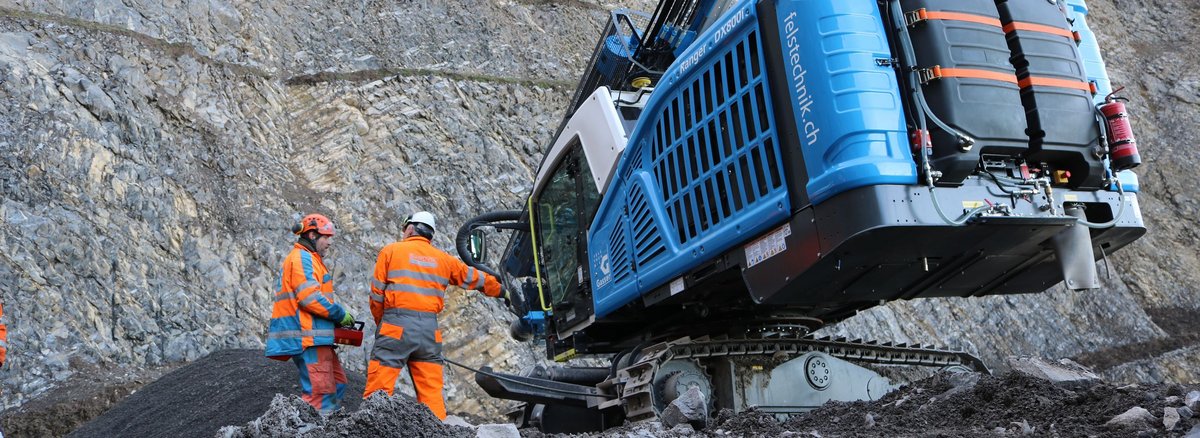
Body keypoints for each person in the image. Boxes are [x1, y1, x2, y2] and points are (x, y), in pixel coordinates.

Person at [364, 211, 504, 420]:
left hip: (395, 327)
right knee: (431, 395)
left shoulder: (391, 251)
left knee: (379, 390)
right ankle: (437, 428)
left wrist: (381, 323)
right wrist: (501, 290)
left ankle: (370, 427)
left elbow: (377, 295)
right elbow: (475, 278)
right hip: (429, 332)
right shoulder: (443, 259)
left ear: (410, 228)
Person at [265, 213, 355, 415]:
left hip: (317, 337)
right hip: (308, 337)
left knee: (338, 383)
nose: (329, 243)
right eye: (326, 237)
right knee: (320, 394)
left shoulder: (310, 259)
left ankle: (325, 423)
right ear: (312, 235)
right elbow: (309, 298)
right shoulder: (302, 258)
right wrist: (339, 314)